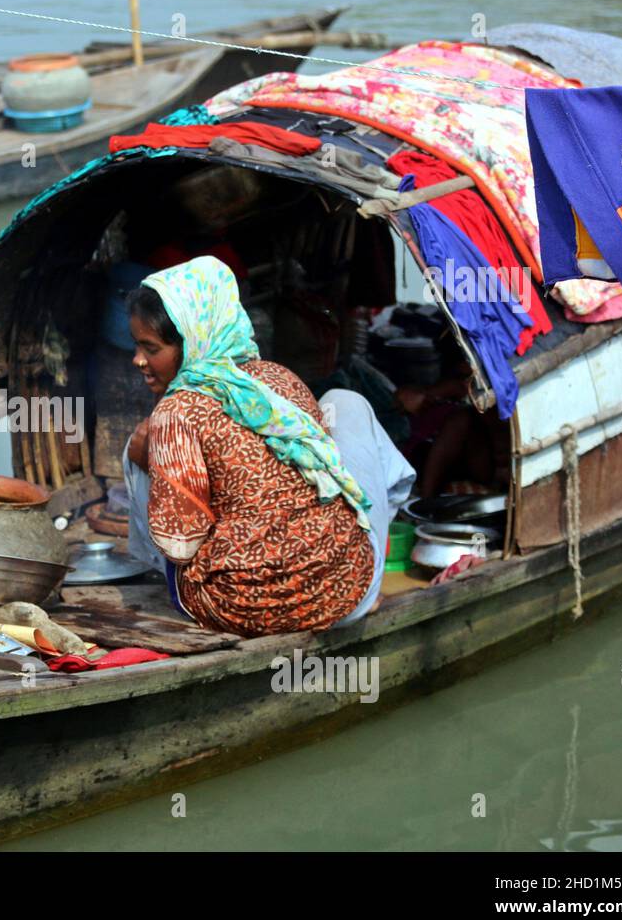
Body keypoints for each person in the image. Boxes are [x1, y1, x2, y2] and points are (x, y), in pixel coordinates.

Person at [124, 256, 415, 637]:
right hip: (346, 595)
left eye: (151, 348)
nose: (138, 360)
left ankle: (160, 579)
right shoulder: (279, 380)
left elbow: (180, 547)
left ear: (193, 341)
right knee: (346, 403)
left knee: (137, 443)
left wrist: (151, 461)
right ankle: (374, 566)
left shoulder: (175, 413)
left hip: (243, 612)